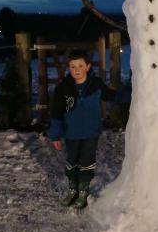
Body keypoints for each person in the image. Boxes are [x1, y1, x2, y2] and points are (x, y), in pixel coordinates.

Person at [48, 49, 130, 209]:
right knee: (72, 161)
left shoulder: (95, 84)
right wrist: (55, 135)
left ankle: (83, 190)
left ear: (88, 67)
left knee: (87, 161)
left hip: (91, 133)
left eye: (80, 66)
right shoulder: (63, 88)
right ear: (69, 68)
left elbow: (110, 95)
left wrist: (130, 95)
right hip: (71, 133)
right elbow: (56, 113)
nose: (76, 70)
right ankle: (73, 188)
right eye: (72, 66)